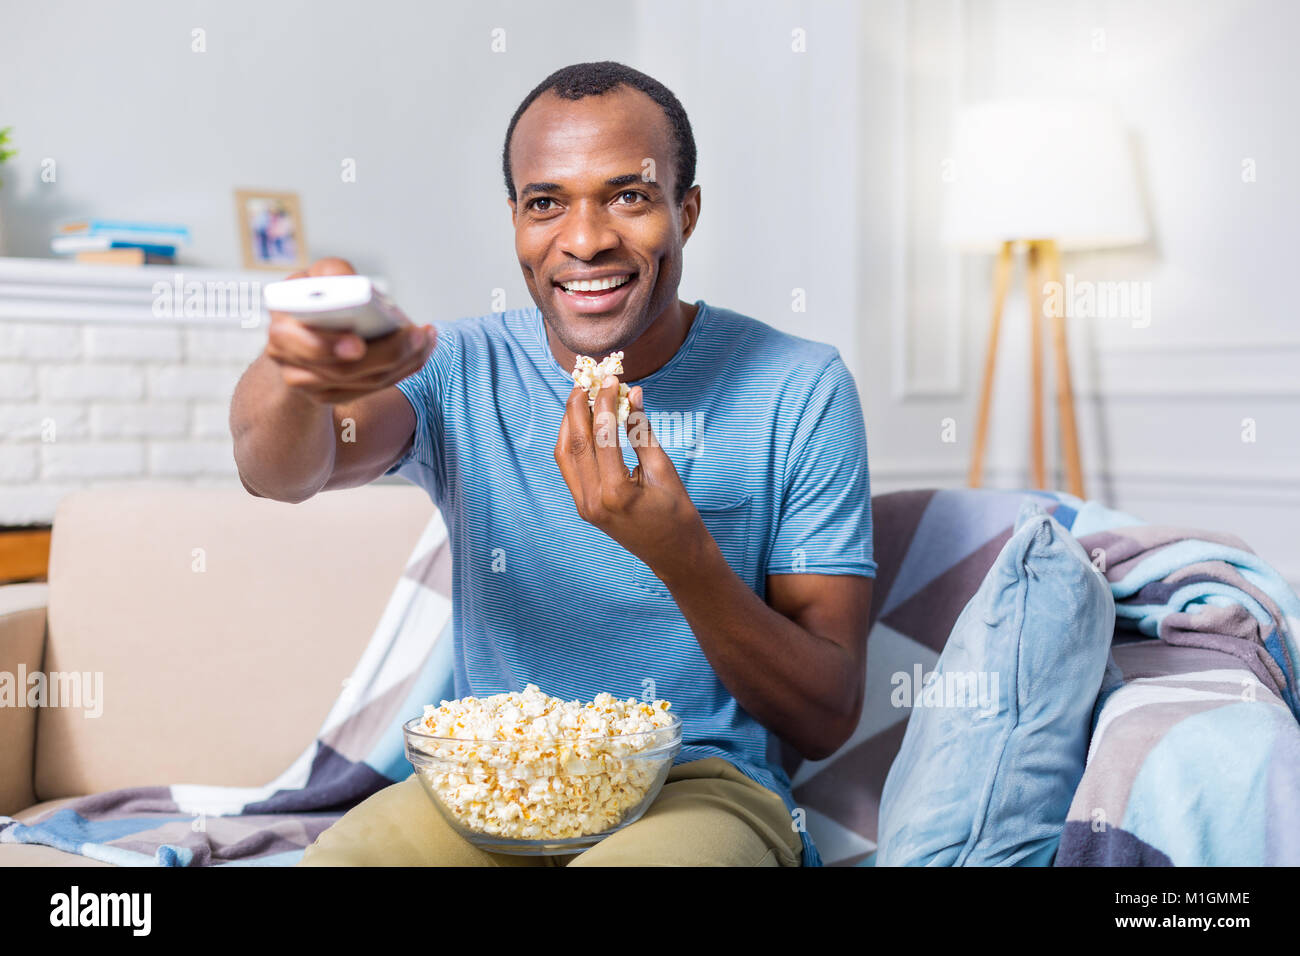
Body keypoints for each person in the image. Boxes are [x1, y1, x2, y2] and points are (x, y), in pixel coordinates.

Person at [230, 60, 876, 867]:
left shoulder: (798, 387)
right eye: (546, 204)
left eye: (629, 196)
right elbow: (279, 472)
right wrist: (297, 373)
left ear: (688, 210)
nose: (585, 240)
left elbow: (825, 713)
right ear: (515, 221)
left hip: (704, 785)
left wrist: (682, 557)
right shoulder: (459, 367)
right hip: (485, 786)